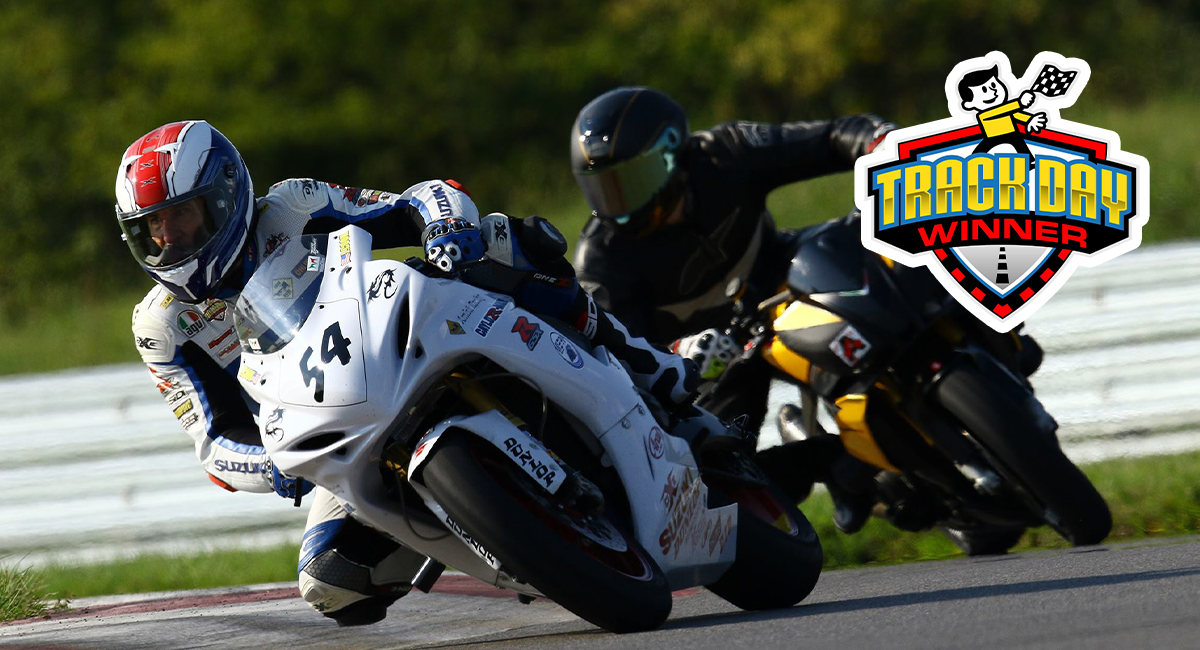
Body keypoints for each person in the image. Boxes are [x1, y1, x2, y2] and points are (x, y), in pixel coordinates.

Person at [117, 120, 723, 626]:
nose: (169, 237)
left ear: (225, 195)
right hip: (323, 426)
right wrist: (270, 467)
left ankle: (646, 362)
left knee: (502, 239)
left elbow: (415, 200)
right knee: (334, 585)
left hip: (393, 337)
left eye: (183, 215)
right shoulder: (161, 326)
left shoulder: (293, 203)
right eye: (153, 228)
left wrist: (444, 228)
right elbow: (214, 443)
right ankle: (514, 538)